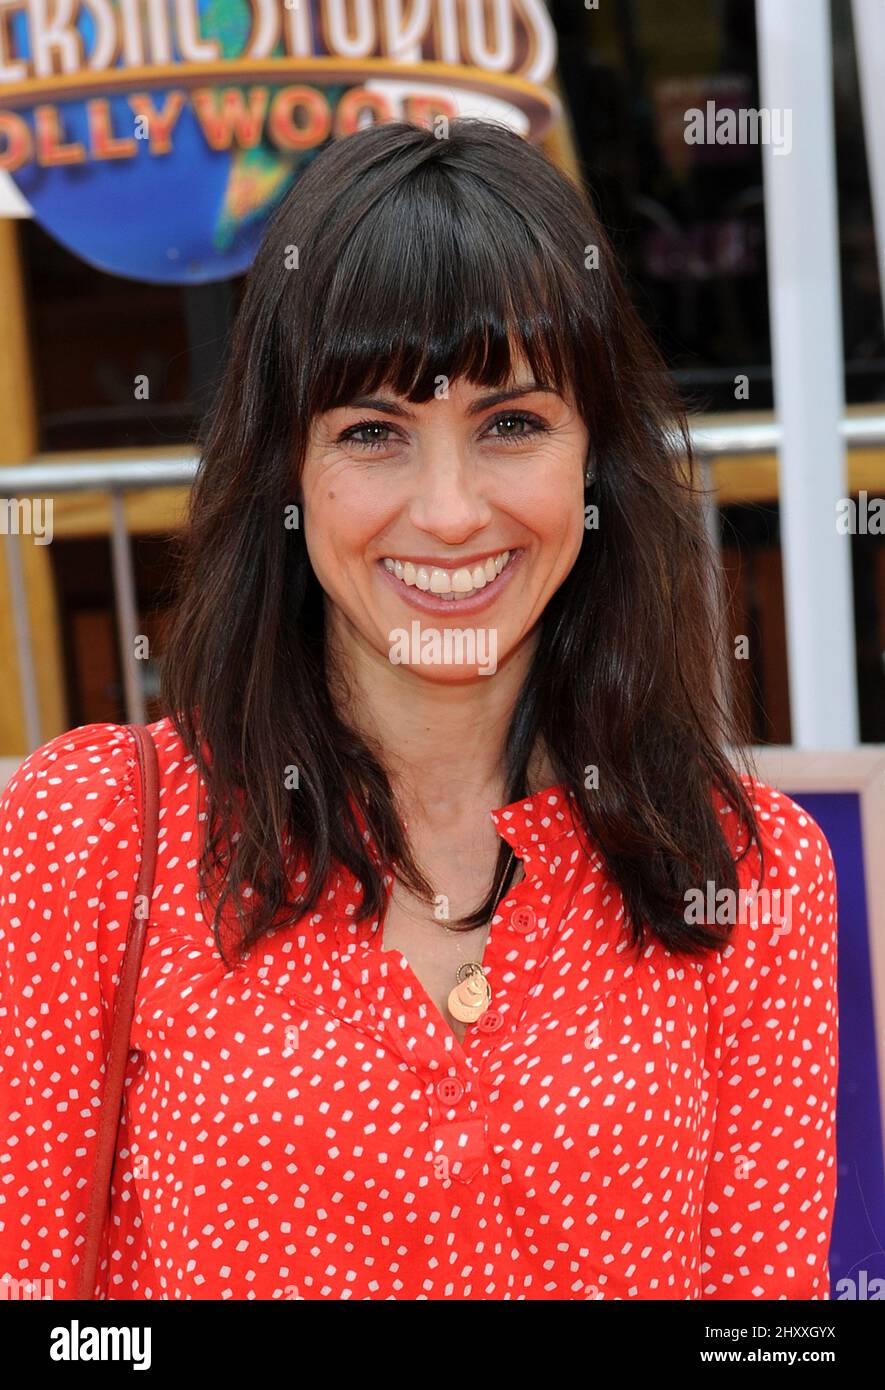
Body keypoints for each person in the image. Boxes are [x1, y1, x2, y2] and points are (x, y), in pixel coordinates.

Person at [0, 118, 838, 1301]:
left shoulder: (751, 870)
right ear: (283, 466)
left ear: (595, 456)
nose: (449, 512)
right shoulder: (90, 836)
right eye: (373, 434)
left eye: (511, 424)